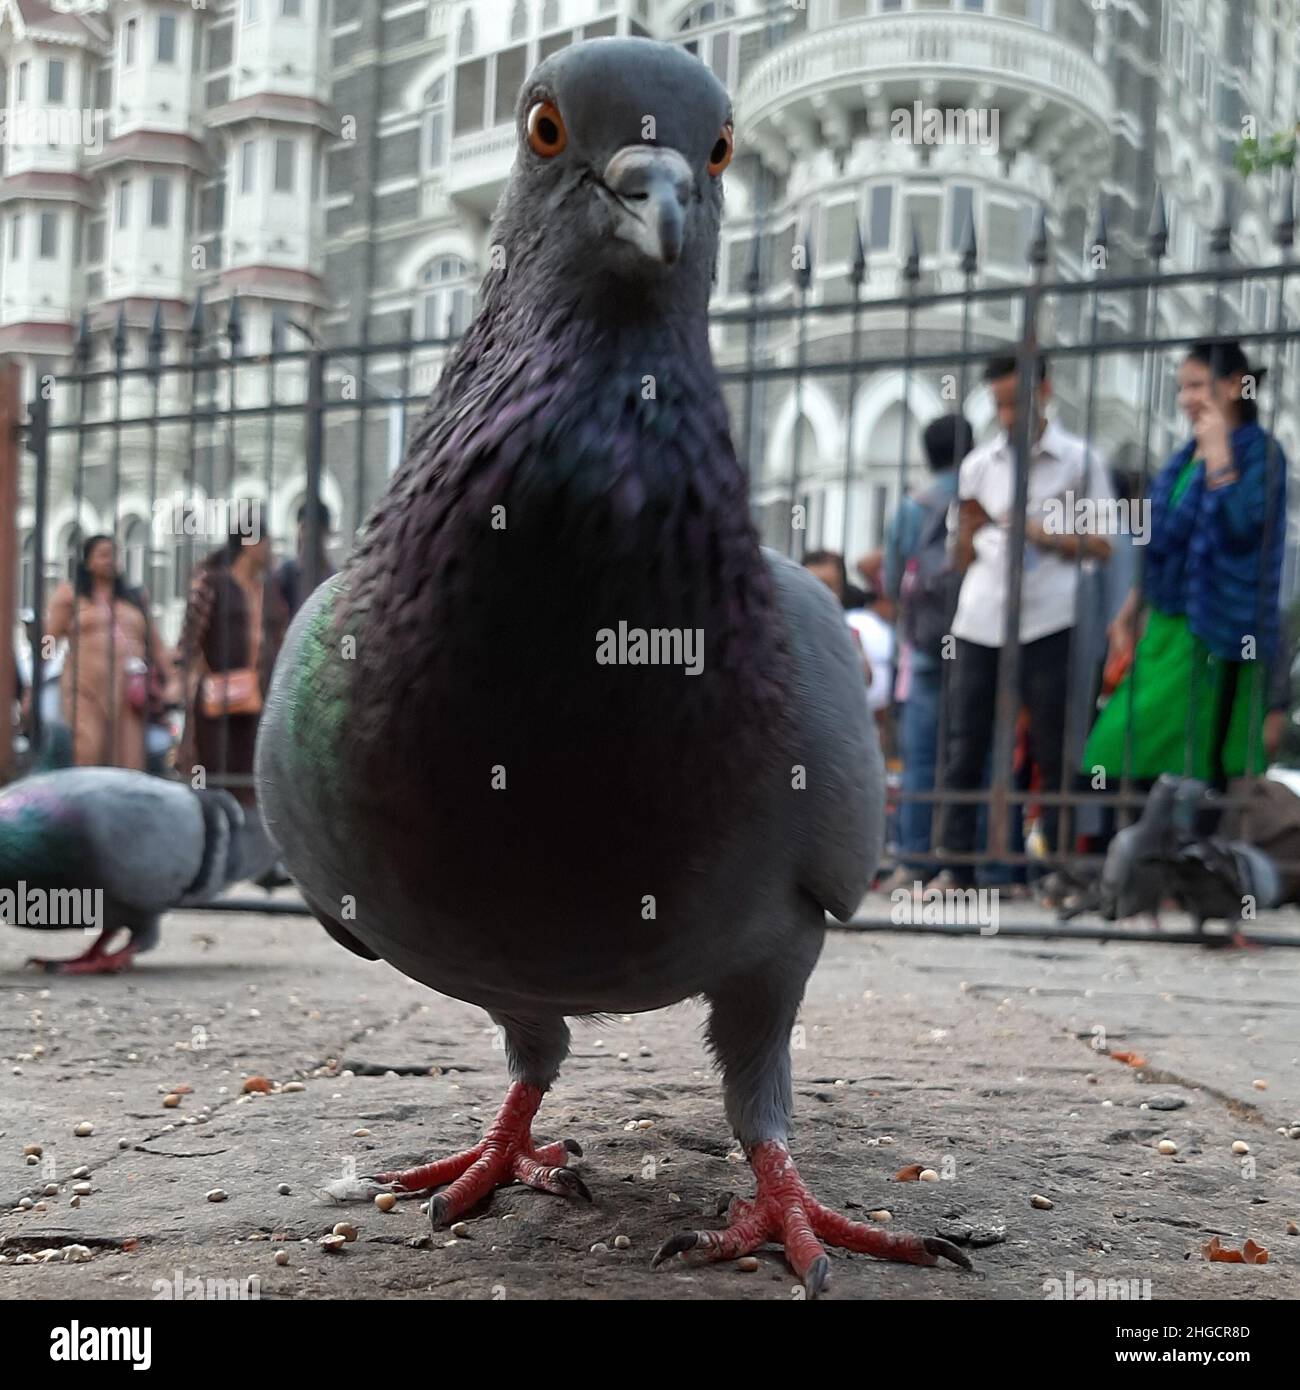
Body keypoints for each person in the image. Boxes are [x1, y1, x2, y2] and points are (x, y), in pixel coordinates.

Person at [936, 354, 1113, 889]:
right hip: (981, 614)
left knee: (1053, 743)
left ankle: (1059, 867)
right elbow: (958, 560)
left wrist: (1044, 535)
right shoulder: (978, 465)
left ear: (1046, 390)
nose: (1009, 415)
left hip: (1048, 614)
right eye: (1000, 405)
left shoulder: (1079, 461)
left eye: (1017, 402)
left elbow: (1104, 543)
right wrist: (966, 533)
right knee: (966, 741)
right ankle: (957, 865)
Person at [1085, 339, 1287, 792]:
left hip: (1222, 632)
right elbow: (1163, 549)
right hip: (1166, 630)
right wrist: (1128, 612)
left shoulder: (1262, 454)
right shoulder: (1180, 460)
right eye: (1182, 388)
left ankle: (1179, 860)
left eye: (1197, 386)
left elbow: (1241, 531)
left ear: (1236, 386)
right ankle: (1134, 856)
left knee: (1202, 772)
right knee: (1116, 751)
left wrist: (1219, 458)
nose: (1186, 399)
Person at [880, 413, 974, 890]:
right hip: (978, 636)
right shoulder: (983, 494)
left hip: (925, 641)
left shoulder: (910, 506)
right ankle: (981, 861)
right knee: (975, 748)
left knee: (919, 756)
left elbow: (893, 579)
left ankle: (913, 859)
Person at [177, 510, 288, 807]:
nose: (271, 550)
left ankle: (246, 836)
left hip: (258, 697)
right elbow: (189, 639)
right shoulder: (212, 583)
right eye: (267, 542)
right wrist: (184, 683)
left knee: (249, 772)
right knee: (215, 772)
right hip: (217, 696)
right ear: (250, 542)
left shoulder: (268, 589)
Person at [44, 535, 174, 770]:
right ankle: (85, 805)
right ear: (88, 561)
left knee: (129, 762)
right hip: (84, 688)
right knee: (87, 752)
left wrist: (173, 680)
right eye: (103, 554)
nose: (110, 560)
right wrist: (36, 681)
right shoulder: (69, 596)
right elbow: (48, 641)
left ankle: (123, 806)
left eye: (114, 554)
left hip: (128, 692)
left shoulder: (134, 598)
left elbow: (156, 645)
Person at [272, 500, 336, 621]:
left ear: (324, 532)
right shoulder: (285, 575)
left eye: (308, 528)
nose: (304, 536)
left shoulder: (333, 579)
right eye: (302, 528)